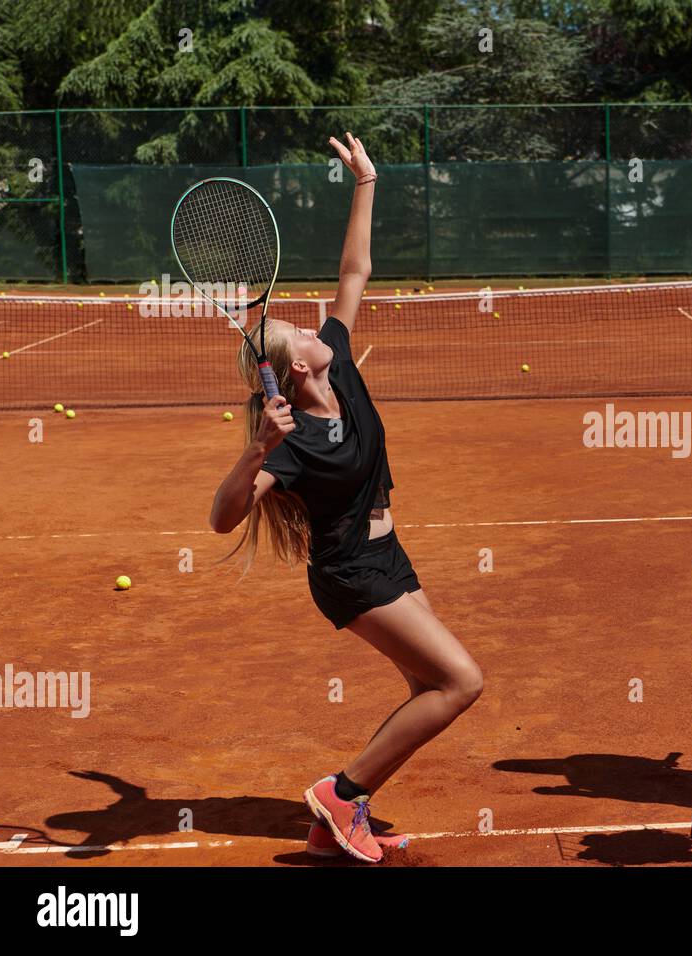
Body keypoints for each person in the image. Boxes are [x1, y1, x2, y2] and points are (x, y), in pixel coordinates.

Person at [208, 133, 482, 863]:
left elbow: (353, 270)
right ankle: (341, 792)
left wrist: (365, 182)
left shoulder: (344, 367)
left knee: (429, 684)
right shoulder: (292, 443)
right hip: (351, 571)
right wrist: (259, 447)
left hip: (388, 554)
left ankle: (330, 832)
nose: (314, 320)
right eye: (298, 327)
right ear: (295, 365)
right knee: (459, 683)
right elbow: (222, 518)